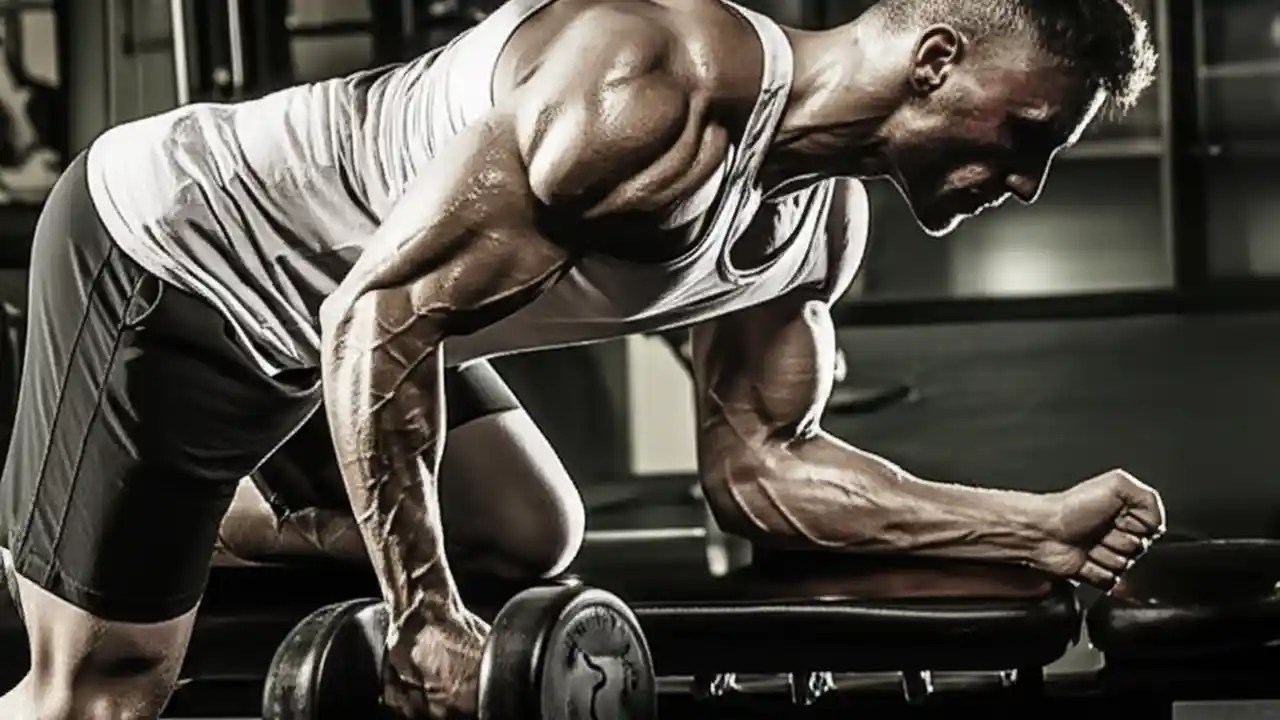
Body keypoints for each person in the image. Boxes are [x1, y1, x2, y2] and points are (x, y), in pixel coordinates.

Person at [0, 0, 1167, 718]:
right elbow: (377, 319)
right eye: (1024, 136)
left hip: (350, 312)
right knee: (100, 696)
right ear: (933, 60)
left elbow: (761, 472)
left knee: (521, 536)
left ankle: (95, 517)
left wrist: (1030, 527)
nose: (1024, 183)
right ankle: (81, 521)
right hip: (187, 254)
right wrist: (421, 623)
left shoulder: (815, 224)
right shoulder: (653, 91)